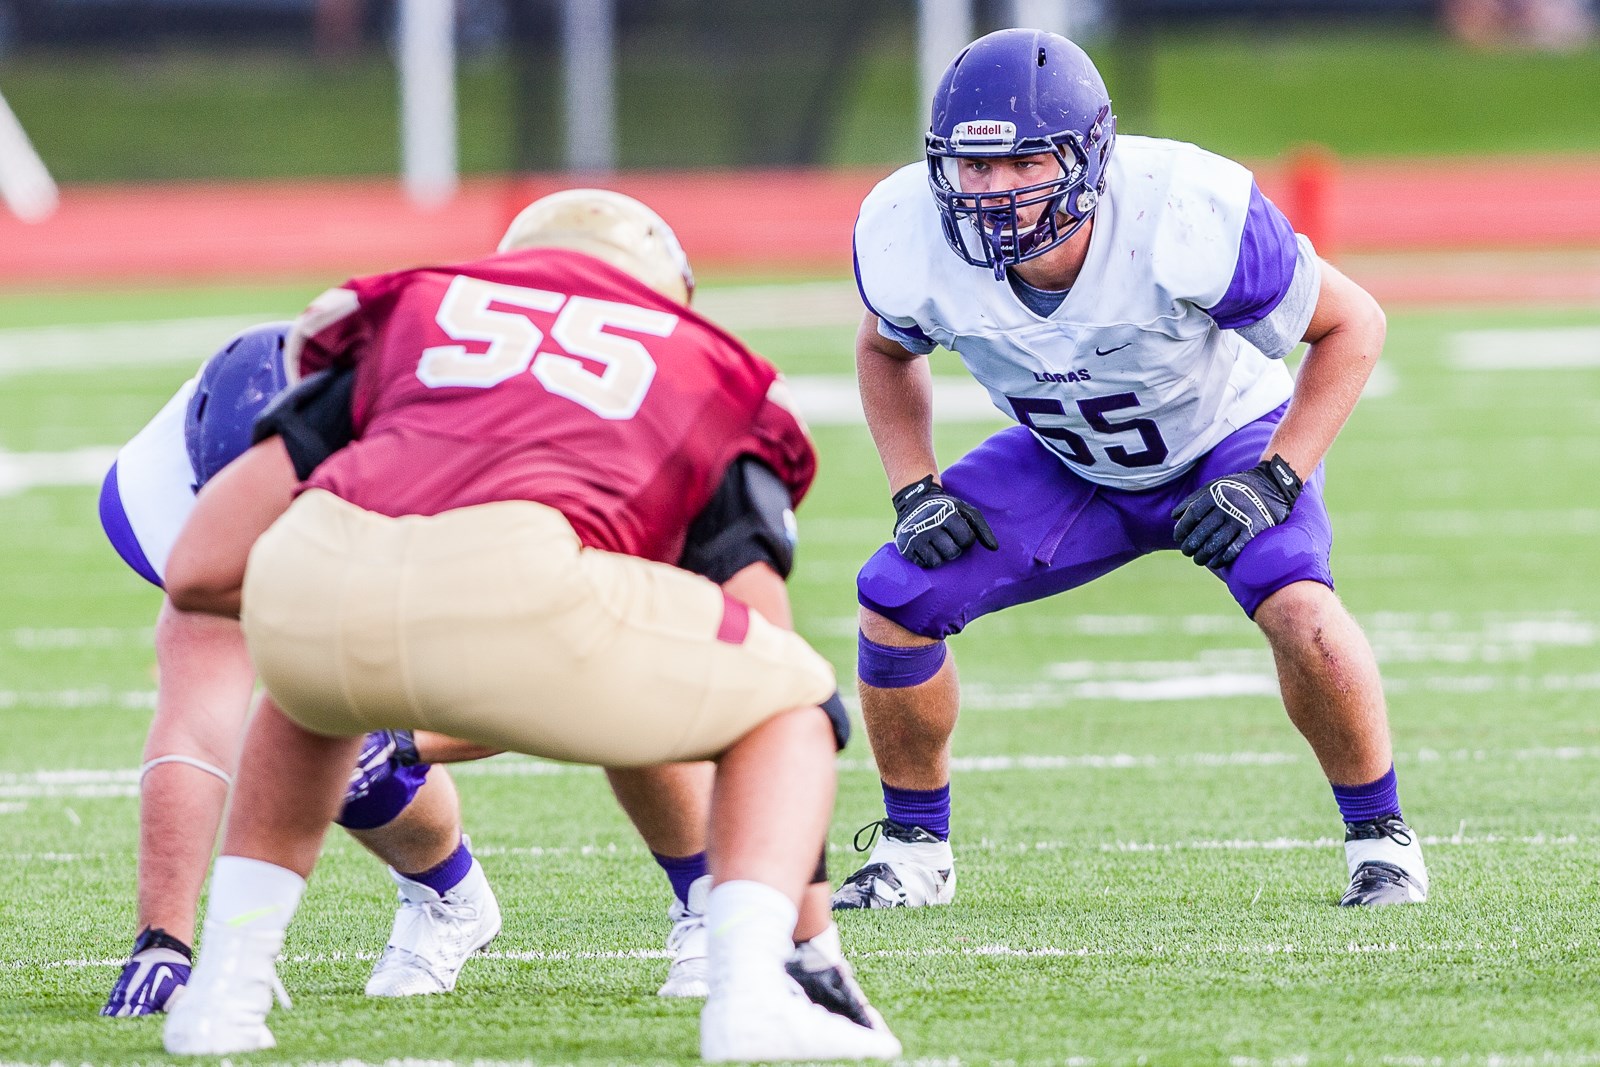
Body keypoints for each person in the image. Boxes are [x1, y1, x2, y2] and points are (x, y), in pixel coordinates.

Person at [158, 189, 901, 1060]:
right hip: (535, 591)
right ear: (664, 292)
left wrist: (385, 633)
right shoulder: (707, 369)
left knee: (308, 687)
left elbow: (201, 567)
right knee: (794, 700)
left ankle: (222, 995)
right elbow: (763, 643)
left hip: (312, 573)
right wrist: (811, 937)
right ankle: (757, 988)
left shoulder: (418, 310)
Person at [834, 28, 1428, 912]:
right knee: (897, 598)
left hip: (1227, 436)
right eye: (973, 166)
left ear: (1088, 158)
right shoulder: (904, 231)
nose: (993, 190)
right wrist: (913, 486)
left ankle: (1382, 842)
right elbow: (886, 351)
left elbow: (1355, 325)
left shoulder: (1184, 209)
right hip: (1069, 454)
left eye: (1026, 161)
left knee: (1297, 600)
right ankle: (916, 850)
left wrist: (1275, 477)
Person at [97, 323, 502, 1014]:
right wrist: (163, 941)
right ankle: (449, 894)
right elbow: (197, 724)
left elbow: (543, 678)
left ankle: (706, 896)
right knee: (323, 730)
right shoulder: (171, 487)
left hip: (512, 531)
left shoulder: (463, 480)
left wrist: (404, 743)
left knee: (358, 734)